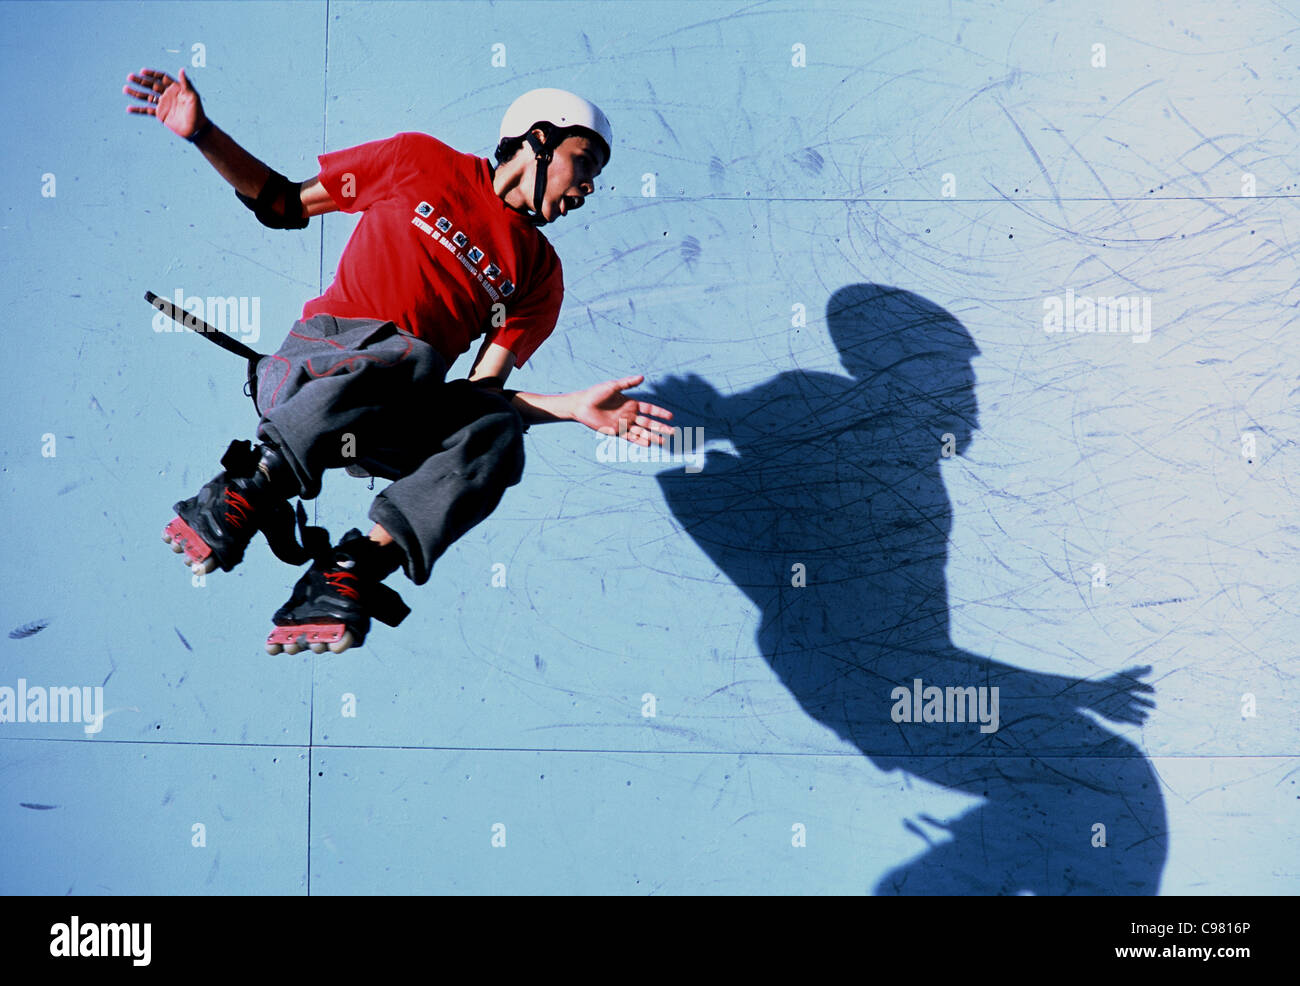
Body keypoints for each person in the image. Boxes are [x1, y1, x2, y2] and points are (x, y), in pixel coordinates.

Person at [125, 67, 674, 654]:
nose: (589, 186)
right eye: (584, 161)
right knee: (411, 353)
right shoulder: (420, 162)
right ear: (538, 140)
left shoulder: (539, 274)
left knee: (495, 431)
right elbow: (283, 203)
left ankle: (349, 572)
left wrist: (568, 408)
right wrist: (202, 132)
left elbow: (481, 393)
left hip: (390, 413)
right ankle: (247, 487)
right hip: (314, 372)